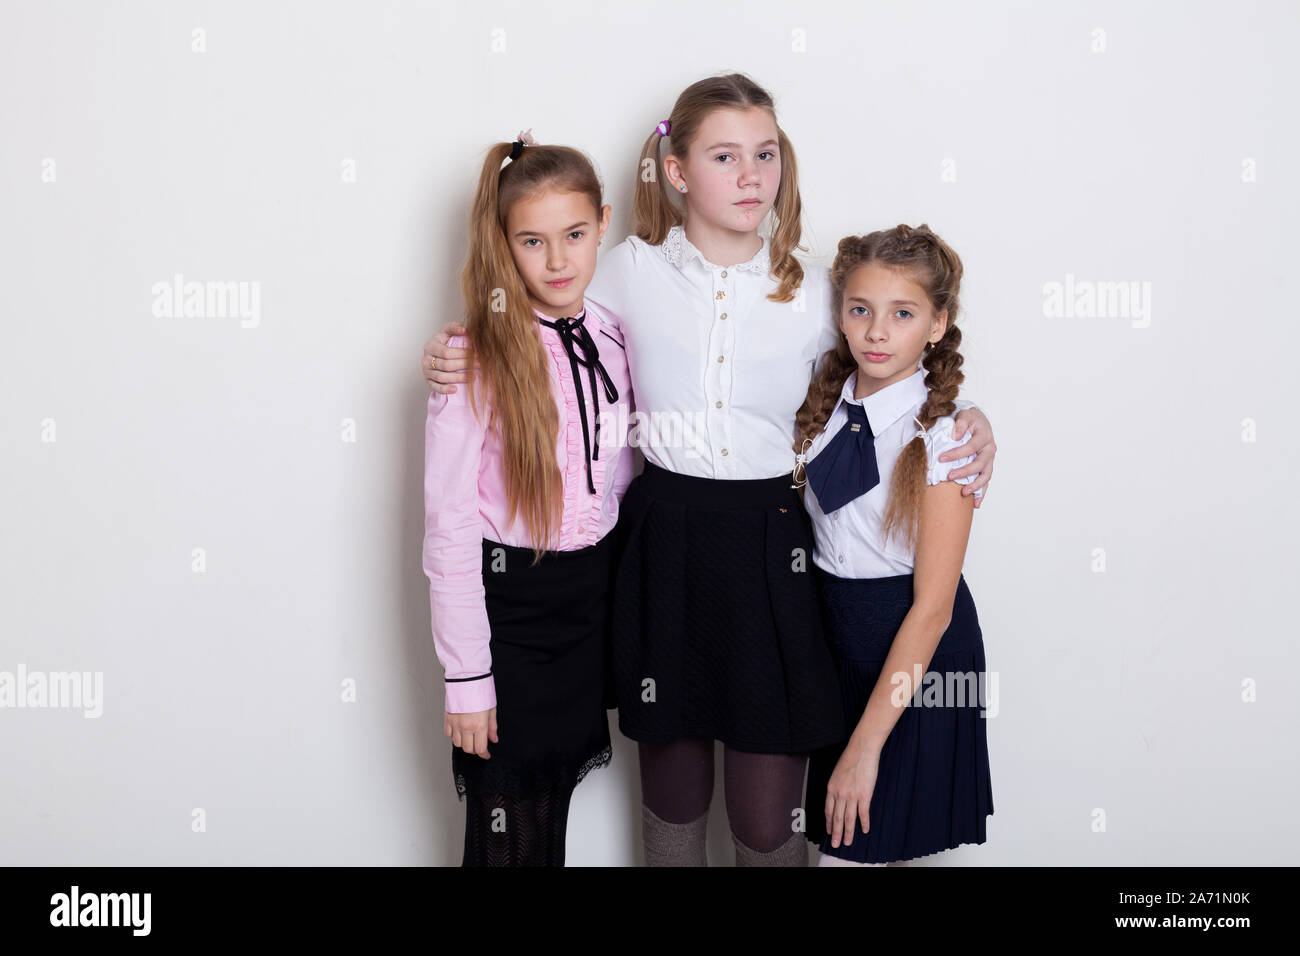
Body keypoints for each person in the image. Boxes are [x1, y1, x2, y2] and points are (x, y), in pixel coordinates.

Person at [423, 74, 999, 866]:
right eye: (725, 156)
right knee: (672, 798)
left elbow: (895, 350)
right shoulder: (621, 268)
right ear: (678, 172)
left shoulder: (824, 287)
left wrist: (968, 418)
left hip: (773, 550)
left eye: (766, 154)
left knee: (768, 821)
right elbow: (537, 309)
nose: (752, 174)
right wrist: (459, 348)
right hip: (662, 544)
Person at [422, 131, 633, 866]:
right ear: (504, 245)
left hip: (587, 612)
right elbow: (448, 531)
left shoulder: (614, 336)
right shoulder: (474, 358)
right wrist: (467, 679)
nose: (557, 261)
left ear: (604, 223)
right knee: (504, 826)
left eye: (575, 235)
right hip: (509, 617)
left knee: (548, 817)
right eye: (532, 241)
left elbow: (627, 476)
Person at [793, 225, 994, 866]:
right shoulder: (820, 410)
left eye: (902, 314)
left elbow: (932, 608)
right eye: (861, 310)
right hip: (840, 648)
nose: (877, 332)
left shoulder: (945, 440)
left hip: (918, 659)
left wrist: (864, 746)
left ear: (937, 324)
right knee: (867, 849)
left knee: (851, 851)